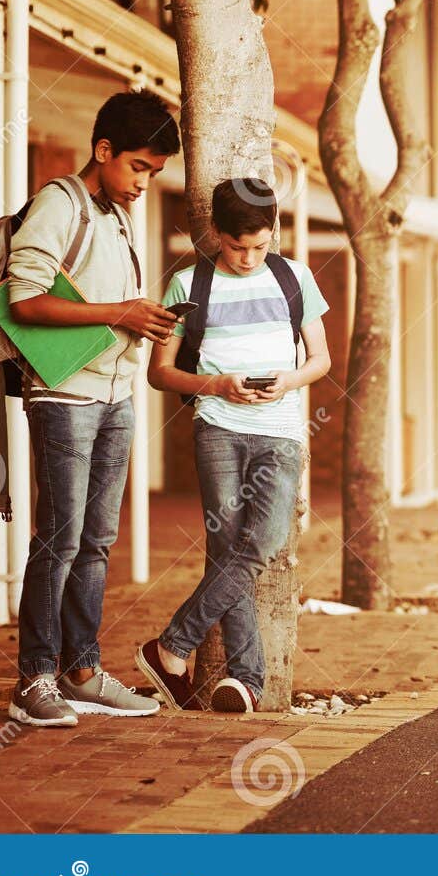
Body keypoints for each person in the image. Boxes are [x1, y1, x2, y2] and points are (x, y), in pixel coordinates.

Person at [6, 90, 180, 727]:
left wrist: (144, 321)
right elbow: (24, 299)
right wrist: (120, 312)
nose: (144, 182)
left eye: (155, 174)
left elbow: (106, 303)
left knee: (97, 542)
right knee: (58, 539)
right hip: (64, 396)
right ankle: (35, 679)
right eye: (138, 166)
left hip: (116, 394)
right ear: (103, 150)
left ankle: (82, 671)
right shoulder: (61, 204)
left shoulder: (117, 216)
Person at [137, 178, 331, 714]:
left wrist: (288, 382)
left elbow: (321, 360)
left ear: (274, 234)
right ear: (216, 234)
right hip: (217, 428)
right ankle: (246, 681)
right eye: (236, 246)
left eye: (260, 246)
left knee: (262, 542)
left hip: (282, 432)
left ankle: (171, 646)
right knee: (228, 550)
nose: (248, 258)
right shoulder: (187, 283)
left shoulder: (294, 277)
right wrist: (217, 385)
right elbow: (161, 373)